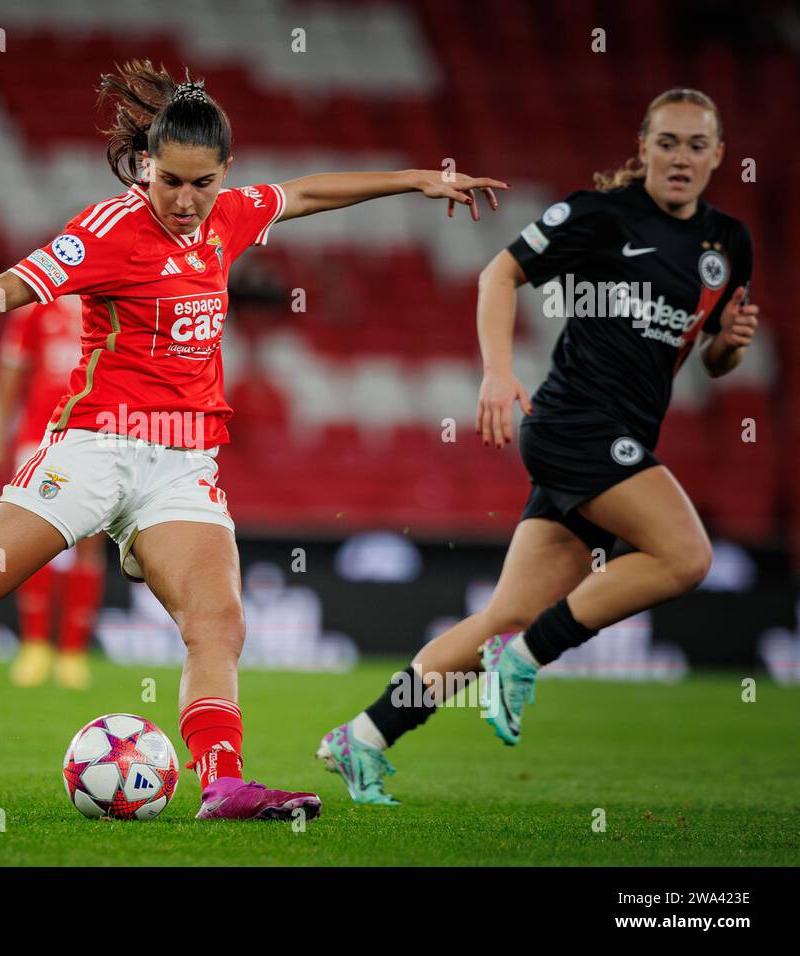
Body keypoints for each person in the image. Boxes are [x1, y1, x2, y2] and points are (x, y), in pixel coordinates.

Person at [0, 60, 505, 820]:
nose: (184, 200)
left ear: (224, 173)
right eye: (169, 181)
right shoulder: (108, 231)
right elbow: (3, 289)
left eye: (201, 183)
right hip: (95, 449)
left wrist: (415, 179)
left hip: (182, 465)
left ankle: (224, 784)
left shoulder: (229, 216)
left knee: (217, 624)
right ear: (145, 166)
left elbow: (304, 193)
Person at [317, 88, 759, 805]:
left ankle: (364, 736)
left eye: (696, 145)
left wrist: (729, 347)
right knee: (687, 557)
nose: (681, 157)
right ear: (643, 147)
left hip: (618, 441)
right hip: (574, 426)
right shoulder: (599, 215)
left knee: (505, 615)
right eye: (667, 142)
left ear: (719, 156)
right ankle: (525, 659)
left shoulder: (728, 245)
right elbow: (499, 273)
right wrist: (497, 370)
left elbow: (710, 360)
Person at [0, 295, 105, 690]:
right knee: (32, 540)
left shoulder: (113, 298)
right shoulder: (38, 304)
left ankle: (73, 652)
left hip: (99, 436)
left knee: (90, 541)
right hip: (41, 436)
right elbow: (11, 368)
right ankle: (34, 646)